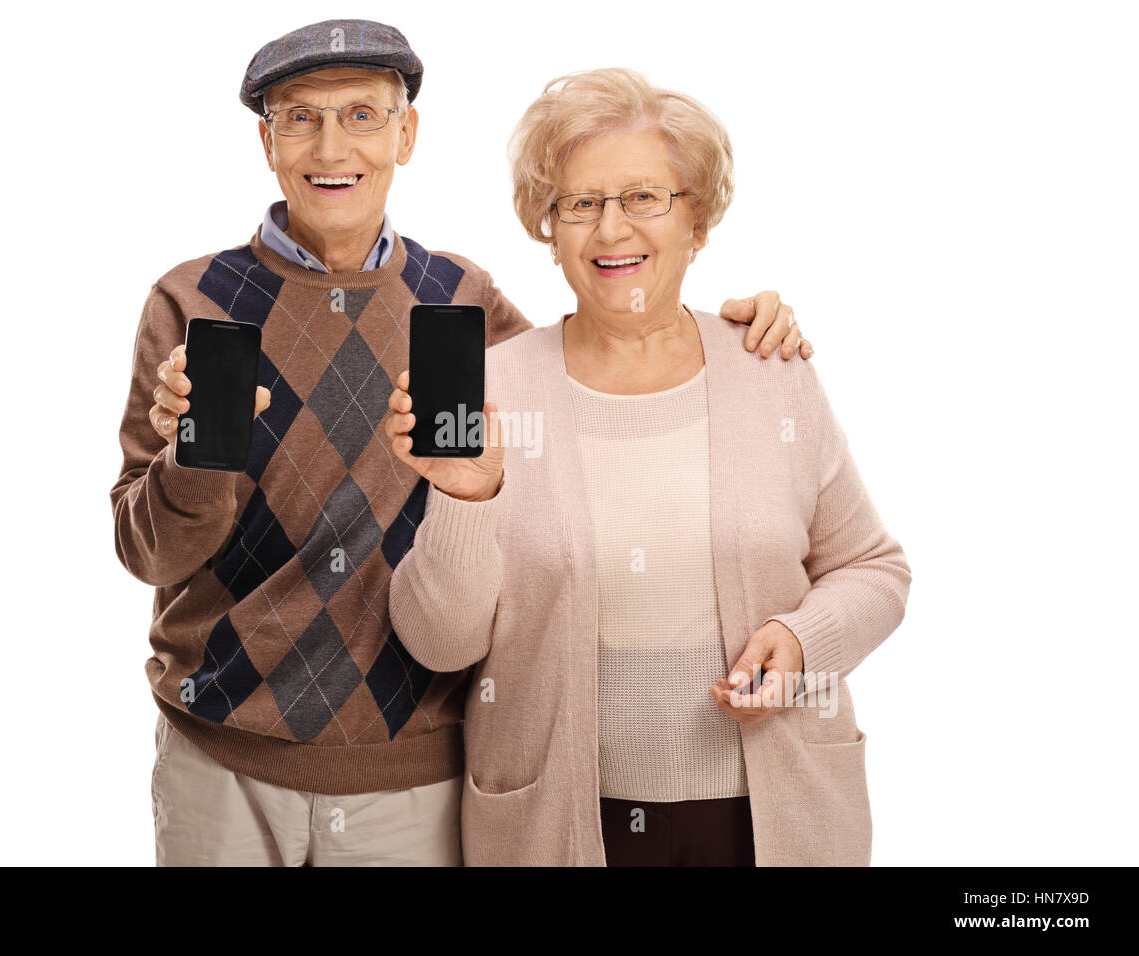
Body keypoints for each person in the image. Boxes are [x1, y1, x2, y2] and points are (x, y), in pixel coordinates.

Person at [111, 22, 812, 867]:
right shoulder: (191, 300)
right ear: (267, 142)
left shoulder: (463, 298)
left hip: (415, 772)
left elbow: (592, 369)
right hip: (218, 761)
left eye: (363, 115)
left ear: (406, 135)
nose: (332, 146)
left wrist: (726, 336)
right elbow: (147, 554)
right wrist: (191, 460)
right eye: (299, 118)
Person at [386, 67, 911, 866]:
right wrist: (466, 498)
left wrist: (802, 641)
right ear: (548, 228)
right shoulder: (494, 389)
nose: (610, 230)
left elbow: (875, 569)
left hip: (773, 818)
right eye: (580, 204)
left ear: (696, 220)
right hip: (561, 824)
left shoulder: (771, 367)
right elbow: (442, 645)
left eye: (644, 198)